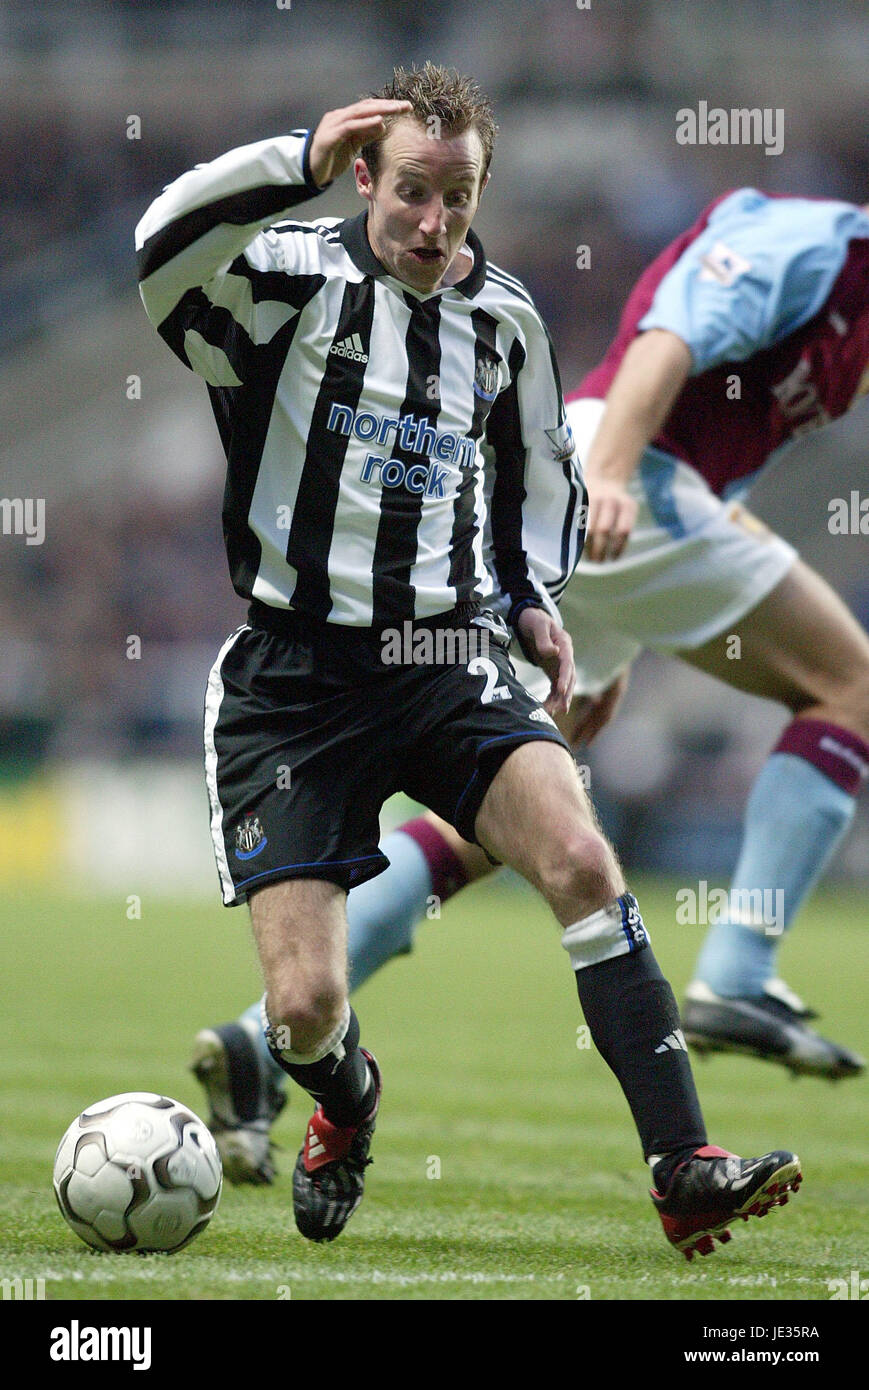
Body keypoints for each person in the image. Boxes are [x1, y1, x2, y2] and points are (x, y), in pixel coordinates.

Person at [138, 64, 800, 1257]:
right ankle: (345, 1097)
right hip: (291, 685)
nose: (435, 225)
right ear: (361, 176)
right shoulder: (288, 283)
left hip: (448, 655)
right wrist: (284, 157)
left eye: (458, 196)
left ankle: (682, 1164)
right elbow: (158, 246)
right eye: (411, 193)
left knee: (581, 860)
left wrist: (533, 600)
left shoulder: (504, 318)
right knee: (301, 1011)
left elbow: (537, 479)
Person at [197, 189, 869, 1179]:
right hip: (617, 474)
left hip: (631, 500)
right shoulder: (821, 241)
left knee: (501, 828)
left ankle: (264, 1037)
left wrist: (620, 634)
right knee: (848, 684)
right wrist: (621, 474)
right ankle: (738, 970)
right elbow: (671, 329)